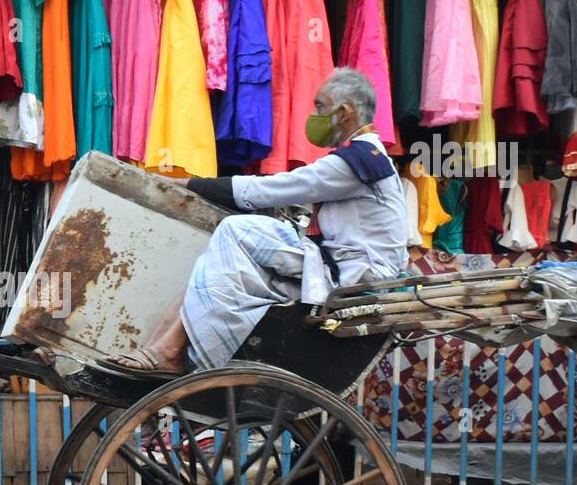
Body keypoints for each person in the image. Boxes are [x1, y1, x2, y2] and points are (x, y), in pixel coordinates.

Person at [102, 67, 408, 375]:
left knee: (236, 229)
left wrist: (187, 184)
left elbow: (268, 190)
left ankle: (170, 350)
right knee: (217, 261)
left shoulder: (358, 161)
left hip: (355, 278)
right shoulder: (366, 157)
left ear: (344, 113)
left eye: (320, 106)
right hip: (341, 268)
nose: (314, 114)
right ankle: (162, 347)